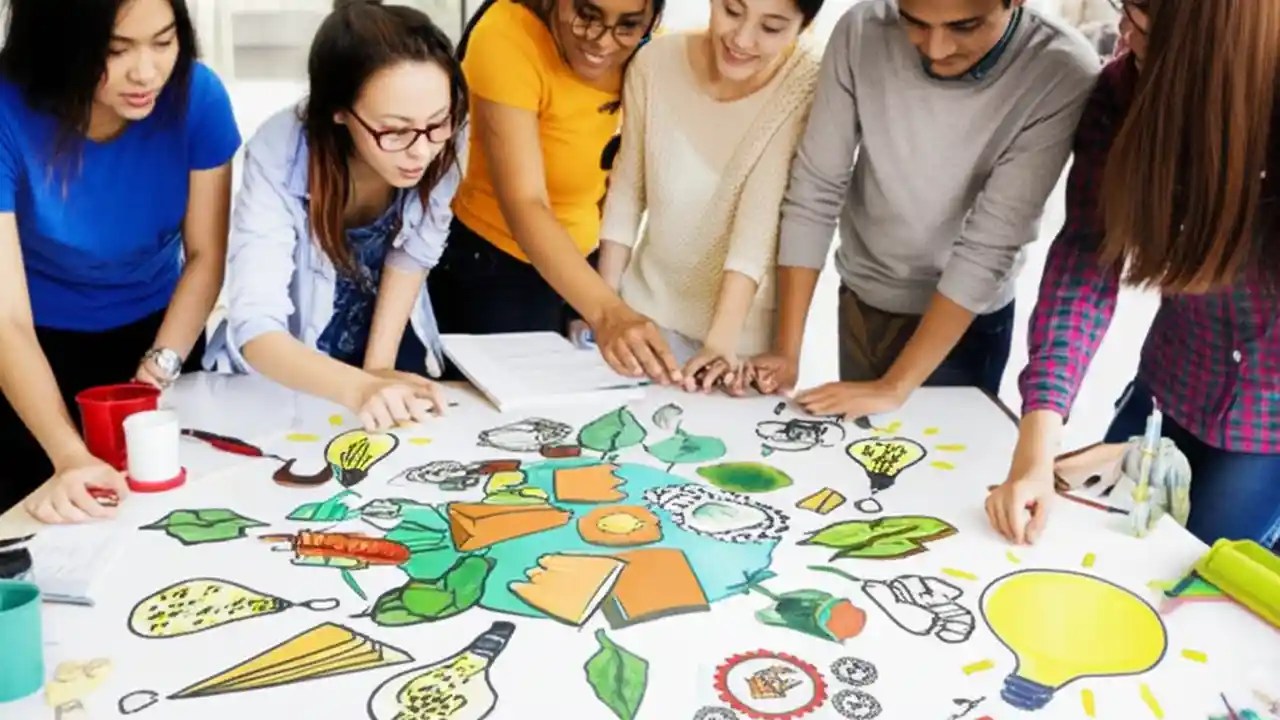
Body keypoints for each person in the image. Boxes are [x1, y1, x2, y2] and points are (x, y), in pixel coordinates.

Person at [987, 0, 1280, 548]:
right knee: (1094, 546)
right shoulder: (1120, 94)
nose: (1122, 35)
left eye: (1142, 27)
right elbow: (1083, 264)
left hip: (1269, 424)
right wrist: (1037, 443)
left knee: (1199, 584)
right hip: (1170, 382)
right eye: (1126, 12)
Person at [748, 0, 1100, 416]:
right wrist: (785, 351)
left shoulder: (1061, 68)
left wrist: (895, 386)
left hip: (967, 319)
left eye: (965, 27)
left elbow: (991, 244)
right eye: (913, 22)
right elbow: (816, 188)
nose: (935, 49)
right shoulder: (861, 29)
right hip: (864, 299)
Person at [0, 0, 240, 522]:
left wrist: (157, 370)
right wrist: (68, 455)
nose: (146, 72)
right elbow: (6, 321)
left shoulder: (197, 97)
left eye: (164, 41)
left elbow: (205, 257)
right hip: (31, 356)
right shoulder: (6, 111)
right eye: (115, 50)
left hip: (160, 336)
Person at [203, 0, 466, 432]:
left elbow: (414, 253)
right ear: (339, 111)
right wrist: (360, 387)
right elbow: (256, 325)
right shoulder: (278, 150)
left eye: (438, 122)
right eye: (395, 131)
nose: (422, 149)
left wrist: (377, 370)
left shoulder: (444, 137)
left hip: (384, 340)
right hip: (293, 366)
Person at [429, 0, 687, 385]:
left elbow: (620, 177)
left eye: (628, 26)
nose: (602, 42)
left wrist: (602, 286)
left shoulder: (650, 50)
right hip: (495, 265)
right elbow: (524, 201)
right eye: (587, 16)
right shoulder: (506, 33)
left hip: (586, 262)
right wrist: (606, 311)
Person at [597, 0, 825, 393]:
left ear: (804, 26)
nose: (741, 39)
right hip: (646, 316)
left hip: (740, 343)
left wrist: (721, 341)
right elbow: (627, 192)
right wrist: (603, 309)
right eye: (732, 11)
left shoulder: (805, 78)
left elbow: (759, 215)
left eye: (771, 28)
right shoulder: (653, 63)